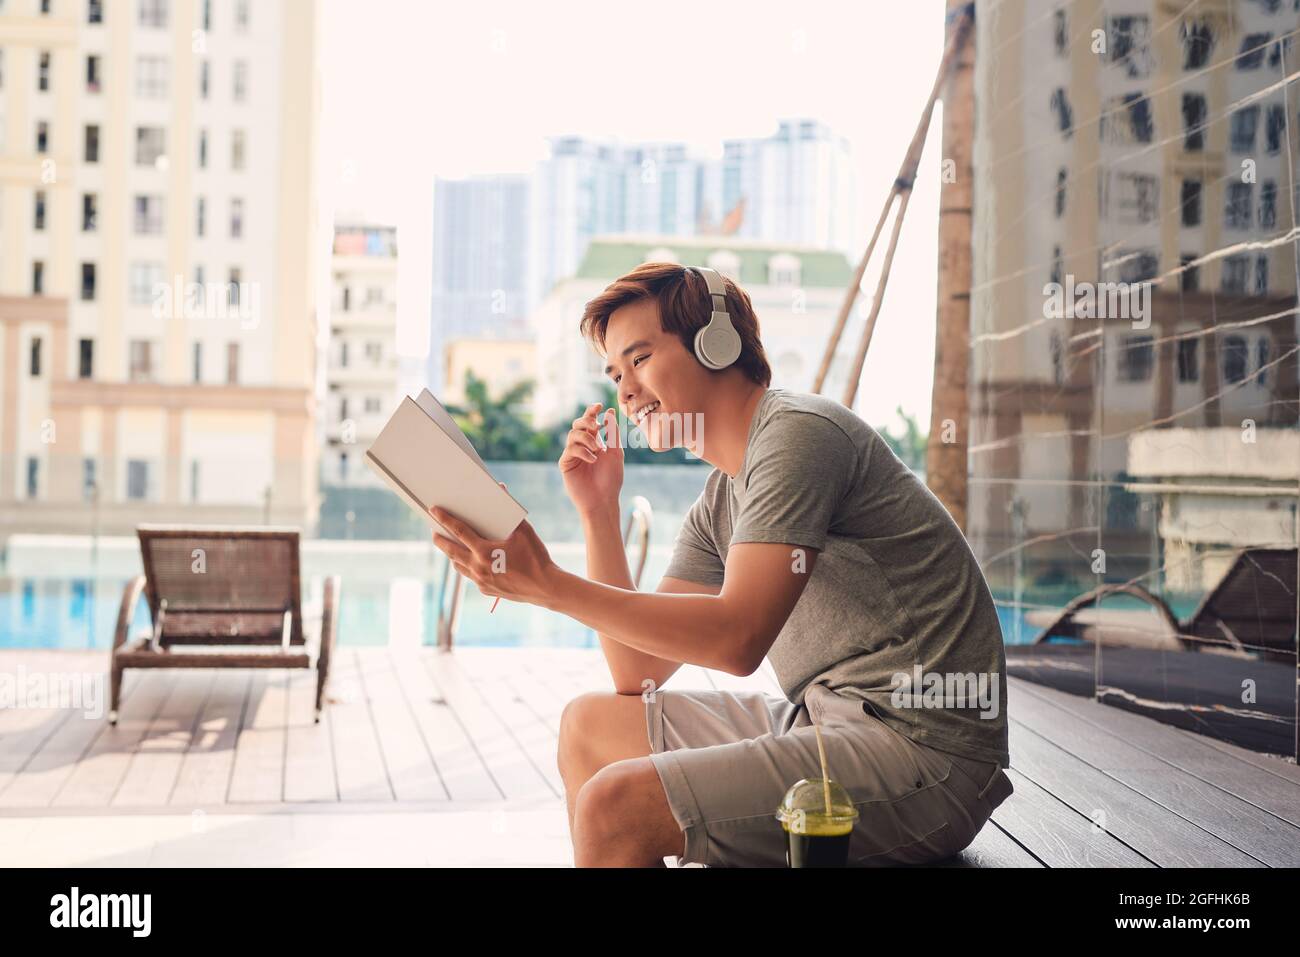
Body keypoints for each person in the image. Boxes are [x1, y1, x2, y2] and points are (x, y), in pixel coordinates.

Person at [429, 261, 1013, 867]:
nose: (624, 391)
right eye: (614, 372)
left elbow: (738, 641)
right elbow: (638, 672)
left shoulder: (798, 437)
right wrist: (599, 510)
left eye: (641, 358)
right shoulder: (723, 498)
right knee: (589, 726)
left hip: (923, 750)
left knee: (615, 804)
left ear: (717, 344)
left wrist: (548, 585)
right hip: (823, 721)